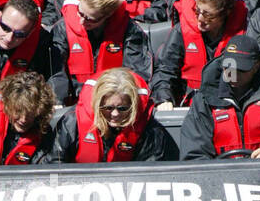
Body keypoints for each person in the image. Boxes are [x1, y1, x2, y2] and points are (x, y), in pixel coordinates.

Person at [152, 0, 247, 109]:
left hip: (227, 107)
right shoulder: (181, 31)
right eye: (198, 11)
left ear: (225, 13)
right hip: (189, 106)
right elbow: (165, 71)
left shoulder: (242, 36)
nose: (200, 19)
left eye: (209, 15)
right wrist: (164, 98)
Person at [51, 0, 152, 104]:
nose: (82, 21)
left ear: (107, 16)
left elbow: (136, 73)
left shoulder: (130, 31)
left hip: (113, 103)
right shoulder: (62, 29)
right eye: (80, 13)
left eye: (91, 19)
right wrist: (57, 103)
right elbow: (57, 74)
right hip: (75, 103)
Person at [46, 68, 176, 163]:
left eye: (122, 108)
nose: (115, 114)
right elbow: (54, 164)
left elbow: (150, 172)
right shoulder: (72, 122)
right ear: (98, 104)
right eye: (108, 108)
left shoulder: (149, 129)